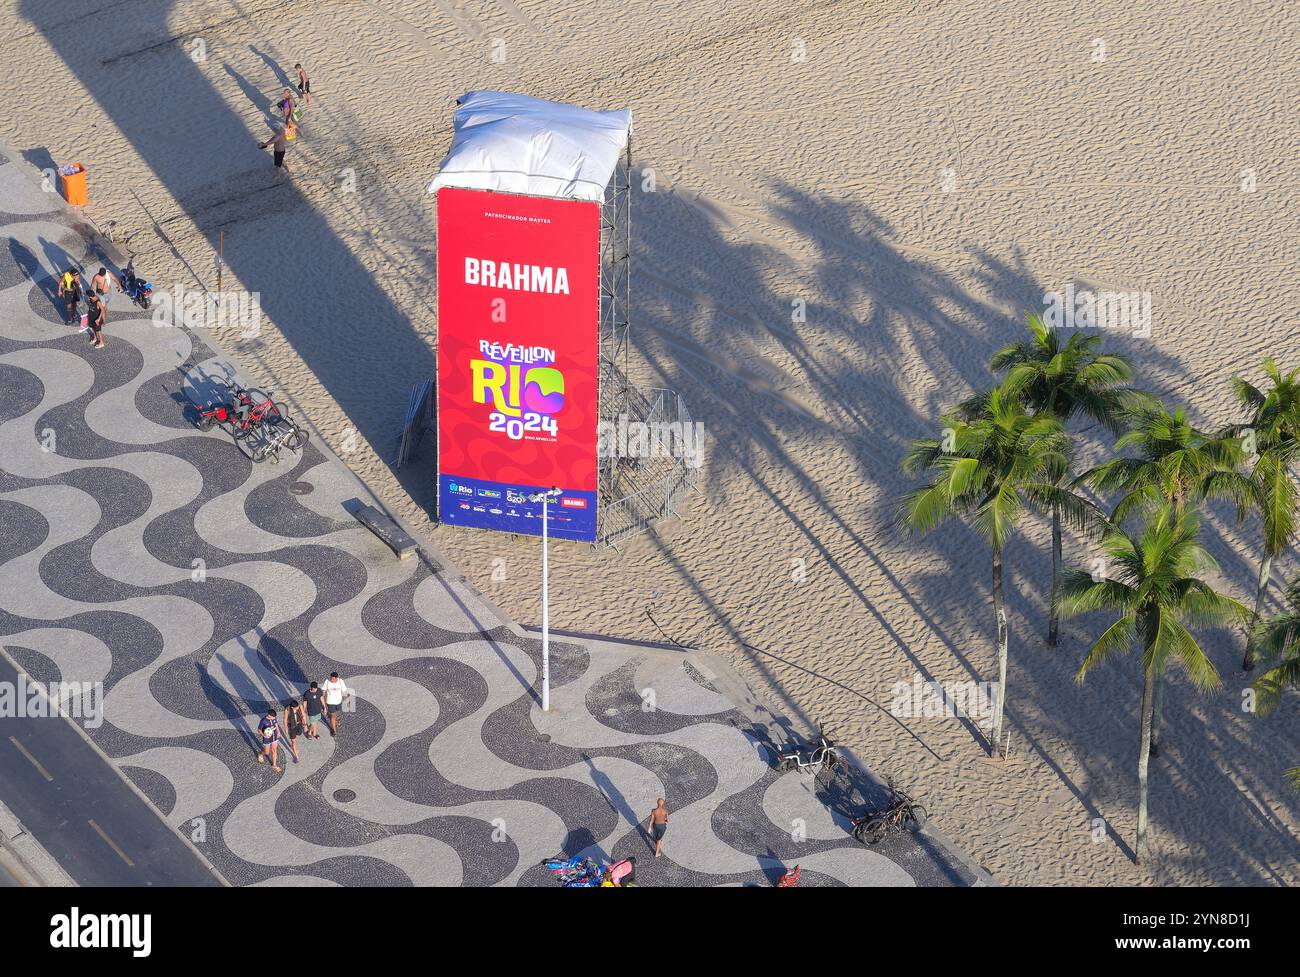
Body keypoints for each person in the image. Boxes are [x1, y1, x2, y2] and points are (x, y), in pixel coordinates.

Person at [323, 672, 349, 736]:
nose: (331, 679)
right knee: (332, 716)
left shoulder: (340, 681)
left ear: (336, 678)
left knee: (335, 714)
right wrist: (323, 701)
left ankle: (336, 721)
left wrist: (347, 701)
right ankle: (334, 730)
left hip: (338, 702)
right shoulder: (327, 681)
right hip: (330, 702)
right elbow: (323, 691)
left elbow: (345, 691)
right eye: (330, 678)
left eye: (332, 679)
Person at [283, 698, 306, 763]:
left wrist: (305, 724)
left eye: (298, 706)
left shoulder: (299, 706)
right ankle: (296, 757)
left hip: (299, 724)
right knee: (293, 742)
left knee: (299, 733)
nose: (298, 708)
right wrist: (286, 729)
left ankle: (294, 746)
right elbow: (285, 720)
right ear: (292, 707)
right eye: (296, 707)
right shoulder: (287, 710)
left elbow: (303, 715)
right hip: (291, 726)